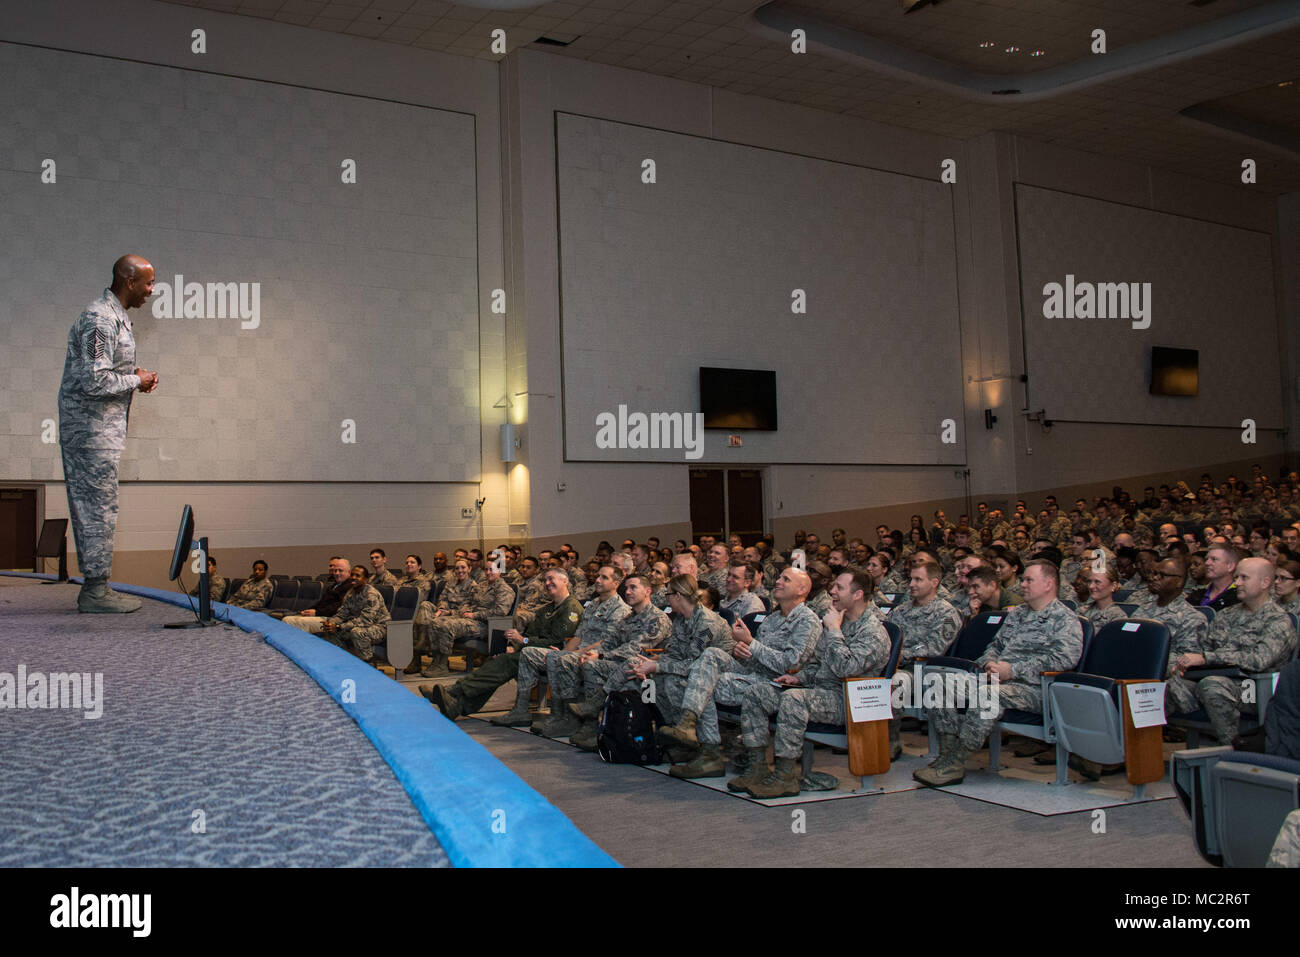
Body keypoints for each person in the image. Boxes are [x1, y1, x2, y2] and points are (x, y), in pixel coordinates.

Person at [915, 560, 1082, 787]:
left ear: (1049, 584)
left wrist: (1012, 670)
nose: (1022, 584)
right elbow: (995, 645)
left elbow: (1064, 659)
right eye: (1022, 579)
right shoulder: (1018, 613)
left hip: (1034, 689)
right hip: (997, 679)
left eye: (1029, 580)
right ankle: (946, 754)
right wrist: (990, 664)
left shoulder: (1064, 618)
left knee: (987, 696)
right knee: (939, 684)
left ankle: (956, 762)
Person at [58, 254, 160, 613]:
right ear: (128, 281)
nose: (151, 290)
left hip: (99, 431)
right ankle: (95, 591)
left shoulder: (116, 317)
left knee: (101, 506)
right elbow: (93, 380)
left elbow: (102, 369)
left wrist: (132, 373)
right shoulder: (100, 318)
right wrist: (137, 379)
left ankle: (97, 587)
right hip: (89, 433)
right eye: (147, 283)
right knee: (97, 508)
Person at [735, 569, 891, 797]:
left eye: (839, 588)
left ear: (857, 595)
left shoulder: (873, 632)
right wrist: (799, 677)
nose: (832, 591)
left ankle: (785, 776)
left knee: (794, 699)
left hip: (849, 700)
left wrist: (835, 631)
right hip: (819, 692)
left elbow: (846, 669)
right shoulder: (840, 621)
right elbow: (817, 664)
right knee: (757, 693)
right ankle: (757, 767)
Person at [657, 568, 822, 779]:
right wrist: (742, 650)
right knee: (711, 655)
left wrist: (751, 643)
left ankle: (709, 751)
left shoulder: (807, 620)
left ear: (802, 589)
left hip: (778, 685)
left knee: (699, 682)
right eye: (779, 577)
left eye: (785, 579)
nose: (778, 581)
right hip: (752, 674)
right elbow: (756, 660)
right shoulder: (771, 620)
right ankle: (689, 728)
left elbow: (790, 665)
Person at [1167, 557, 1297, 745]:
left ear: (1265, 582)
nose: (1237, 583)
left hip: (1254, 689)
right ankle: (1138, 756)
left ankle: (1232, 748)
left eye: (1244, 578)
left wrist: (1206, 659)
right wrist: (1182, 665)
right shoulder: (1227, 615)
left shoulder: (1278, 621)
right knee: (1168, 685)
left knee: (1213, 685)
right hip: (1215, 679)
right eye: (1237, 578)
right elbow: (1203, 647)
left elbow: (1259, 660)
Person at [431, 569, 582, 721]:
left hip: (553, 655)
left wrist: (523, 641)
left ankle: (454, 691)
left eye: (551, 579)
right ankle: (458, 706)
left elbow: (557, 642)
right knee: (498, 658)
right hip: (531, 651)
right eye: (545, 580)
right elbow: (530, 635)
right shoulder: (546, 609)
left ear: (565, 581)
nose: (547, 583)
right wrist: (514, 647)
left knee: (505, 662)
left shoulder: (571, 609)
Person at [566, 574, 673, 750]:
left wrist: (602, 656)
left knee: (630, 662)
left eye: (633, 588)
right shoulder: (627, 617)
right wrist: (594, 653)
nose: (628, 592)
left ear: (647, 591)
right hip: (622, 666)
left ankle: (597, 708)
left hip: (648, 669)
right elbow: (609, 642)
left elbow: (636, 648)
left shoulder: (657, 618)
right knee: (591, 665)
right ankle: (593, 726)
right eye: (627, 588)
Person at [626, 575, 734, 743]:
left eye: (668, 595)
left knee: (671, 681)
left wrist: (657, 666)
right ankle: (673, 732)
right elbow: (675, 654)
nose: (666, 599)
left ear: (678, 595)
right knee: (653, 681)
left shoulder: (707, 622)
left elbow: (695, 664)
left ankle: (688, 733)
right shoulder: (680, 619)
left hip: (715, 673)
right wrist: (654, 663)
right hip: (693, 669)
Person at [532, 565, 630, 737]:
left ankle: (572, 718)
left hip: (599, 655)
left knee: (563, 659)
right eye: (598, 576)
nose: (598, 580)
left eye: (604, 577)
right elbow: (578, 635)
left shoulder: (621, 609)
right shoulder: (592, 605)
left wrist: (574, 655)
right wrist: (565, 652)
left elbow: (605, 642)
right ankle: (559, 715)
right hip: (580, 652)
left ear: (616, 583)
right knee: (556, 657)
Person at [886, 559, 961, 757]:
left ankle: (890, 741)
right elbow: (886, 638)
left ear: (934, 582)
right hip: (894, 664)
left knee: (895, 682)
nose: (912, 584)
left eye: (918, 579)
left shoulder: (946, 613)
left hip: (922, 671)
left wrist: (900, 655)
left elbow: (933, 649)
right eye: (911, 579)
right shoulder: (901, 610)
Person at [423, 564, 514, 678]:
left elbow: (500, 612)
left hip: (486, 625)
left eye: (492, 570)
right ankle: (437, 660)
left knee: (447, 625)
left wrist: (475, 615)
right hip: (470, 620)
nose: (488, 572)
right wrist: (451, 613)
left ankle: (442, 666)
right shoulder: (481, 586)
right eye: (486, 569)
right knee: (434, 622)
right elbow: (468, 604)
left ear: (500, 571)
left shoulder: (504, 589)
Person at [317, 565, 391, 662]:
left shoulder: (371, 595)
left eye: (358, 576)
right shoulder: (351, 593)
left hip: (380, 627)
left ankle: (367, 662)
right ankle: (341, 661)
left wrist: (340, 627)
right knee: (332, 631)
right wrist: (332, 623)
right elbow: (342, 614)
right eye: (352, 575)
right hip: (360, 625)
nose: (353, 578)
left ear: (365, 580)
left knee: (357, 632)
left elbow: (365, 621)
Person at [1081, 564, 1127, 629]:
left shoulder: (1118, 618)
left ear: (1113, 586)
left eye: (1097, 582)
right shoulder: (1081, 611)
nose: (1090, 586)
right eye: (1089, 581)